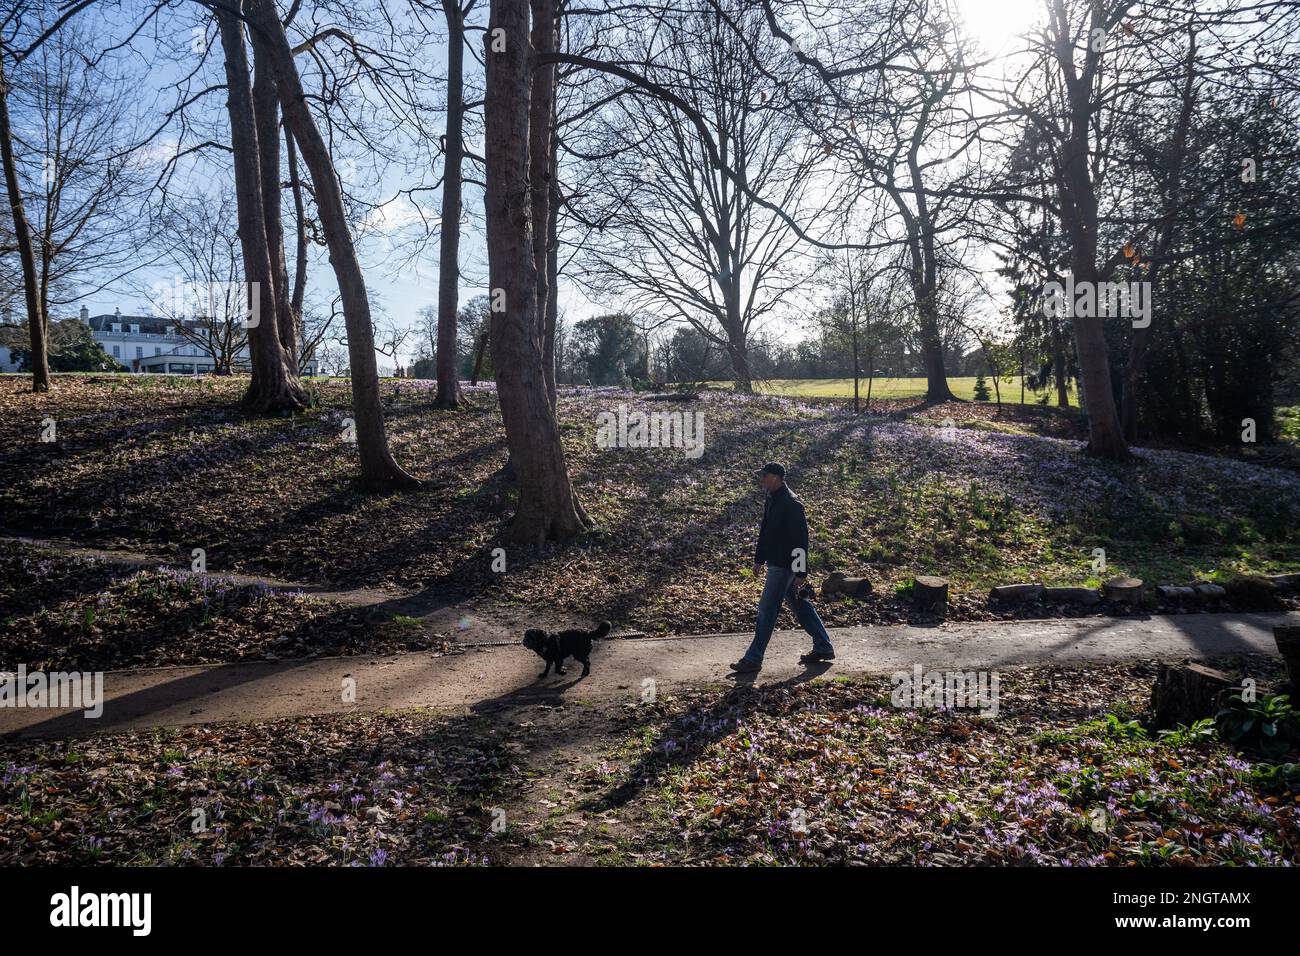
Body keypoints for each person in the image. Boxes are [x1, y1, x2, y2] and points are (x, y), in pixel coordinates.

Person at [730, 462, 836, 673]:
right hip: (776, 562)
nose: (761, 479)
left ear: (776, 478)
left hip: (785, 566)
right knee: (800, 606)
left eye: (765, 476)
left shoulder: (792, 503)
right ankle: (823, 647)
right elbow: (766, 531)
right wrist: (759, 559)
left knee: (767, 610)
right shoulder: (772, 498)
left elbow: (800, 540)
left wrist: (800, 571)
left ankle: (753, 658)